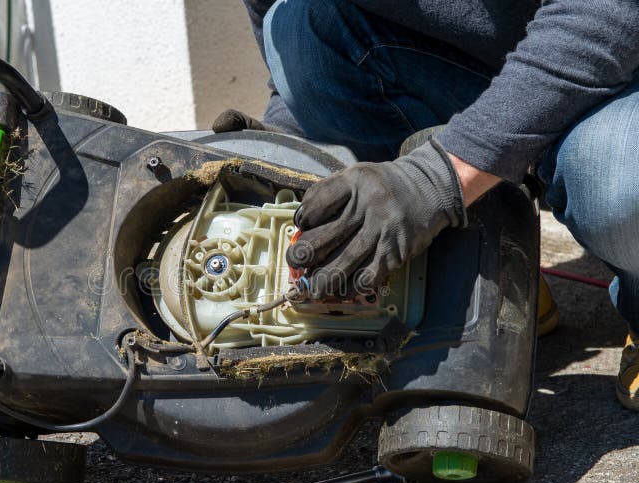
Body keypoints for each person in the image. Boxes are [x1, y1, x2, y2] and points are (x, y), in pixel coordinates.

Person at [213, 0, 639, 410]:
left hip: (618, 65)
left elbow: (606, 15)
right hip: (479, 70)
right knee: (299, 27)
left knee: (619, 184)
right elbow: (282, 36)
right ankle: (489, 270)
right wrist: (286, 152)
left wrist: (436, 179)